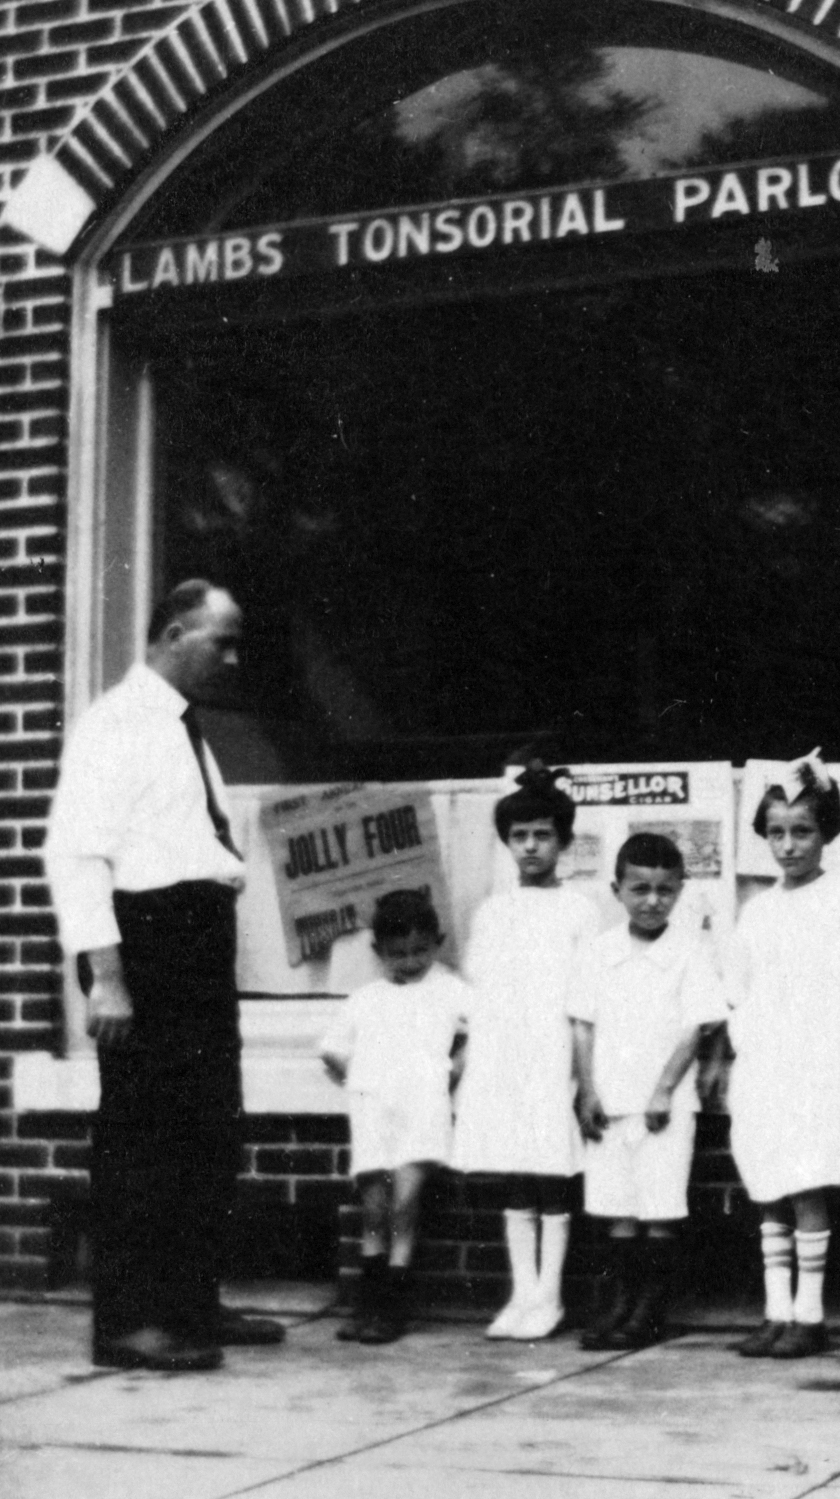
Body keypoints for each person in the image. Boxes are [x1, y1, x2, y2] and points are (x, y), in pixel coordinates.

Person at [42, 578, 286, 1372]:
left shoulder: (187, 731)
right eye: (222, 640)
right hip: (145, 946)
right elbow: (78, 855)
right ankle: (127, 1322)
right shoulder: (115, 724)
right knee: (143, 1138)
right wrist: (107, 978)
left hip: (196, 940)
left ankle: (188, 1301)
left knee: (208, 1130)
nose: (233, 656)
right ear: (175, 632)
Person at [721, 753, 840, 1359]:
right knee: (769, 1184)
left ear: (826, 833)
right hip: (769, 1065)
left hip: (823, 1062)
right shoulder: (757, 911)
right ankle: (775, 1311)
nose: (788, 845)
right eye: (776, 833)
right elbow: (738, 992)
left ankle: (810, 1313)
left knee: (806, 1182)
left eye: (801, 831)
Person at [450, 762, 604, 1339]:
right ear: (507, 843)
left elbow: (586, 997)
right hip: (503, 1054)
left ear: (563, 842)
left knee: (551, 1170)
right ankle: (521, 1292)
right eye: (520, 836)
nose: (531, 846)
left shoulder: (580, 910)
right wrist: (467, 1061)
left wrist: (584, 1078)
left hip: (552, 1052)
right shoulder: (493, 911)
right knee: (515, 1169)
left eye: (542, 835)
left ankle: (551, 1295)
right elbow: (480, 991)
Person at [566, 832, 728, 1350]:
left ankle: (649, 1311)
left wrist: (663, 1090)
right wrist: (587, 1090)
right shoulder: (599, 952)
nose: (652, 901)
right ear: (617, 890)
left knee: (658, 1203)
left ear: (680, 890)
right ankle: (619, 1304)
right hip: (610, 1096)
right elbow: (583, 1025)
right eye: (640, 889)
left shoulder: (691, 951)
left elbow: (693, 1028)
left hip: (664, 1102)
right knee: (617, 1204)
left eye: (664, 890)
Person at [319, 887, 470, 1346]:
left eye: (420, 950)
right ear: (378, 951)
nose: (410, 961)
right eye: (397, 953)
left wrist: (449, 1072)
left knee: (405, 1202)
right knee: (375, 1207)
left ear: (437, 942)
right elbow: (332, 1051)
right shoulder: (366, 998)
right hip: (373, 1108)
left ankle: (394, 1304)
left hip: (422, 1108)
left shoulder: (450, 990)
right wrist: (364, 1079)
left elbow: (484, 1036)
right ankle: (369, 1302)